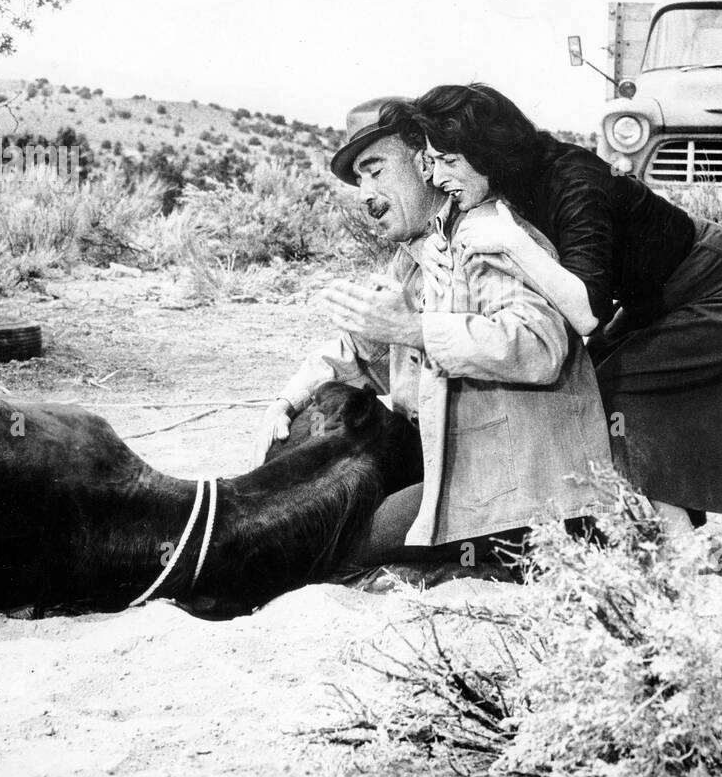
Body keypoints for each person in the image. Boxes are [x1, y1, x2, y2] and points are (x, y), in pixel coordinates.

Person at [382, 84, 722, 526]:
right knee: (600, 384)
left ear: (488, 150)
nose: (437, 177)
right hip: (657, 297)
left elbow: (586, 314)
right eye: (434, 161)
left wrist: (513, 244)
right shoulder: (511, 176)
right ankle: (670, 528)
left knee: (615, 389)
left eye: (449, 161)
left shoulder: (573, 180)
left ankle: (679, 538)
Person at [248, 97, 612, 573]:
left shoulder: (487, 236)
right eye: (359, 178)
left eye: (375, 170)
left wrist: (415, 329)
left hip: (522, 489)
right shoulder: (418, 255)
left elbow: (538, 345)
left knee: (341, 548)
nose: (365, 193)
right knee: (326, 425)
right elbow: (362, 349)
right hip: (465, 468)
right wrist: (288, 401)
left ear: (424, 162)